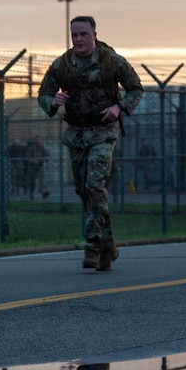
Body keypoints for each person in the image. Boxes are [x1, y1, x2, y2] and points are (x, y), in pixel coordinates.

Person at [38, 16, 145, 272]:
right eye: (74, 35)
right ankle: (108, 248)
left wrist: (119, 108)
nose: (78, 39)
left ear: (95, 35)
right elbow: (43, 94)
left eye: (84, 34)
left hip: (103, 132)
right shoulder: (62, 64)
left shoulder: (112, 61)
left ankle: (93, 245)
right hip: (76, 134)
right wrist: (53, 102)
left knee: (94, 186)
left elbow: (136, 88)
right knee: (84, 192)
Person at [24, 134, 50, 198]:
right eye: (37, 140)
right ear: (35, 140)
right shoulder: (31, 148)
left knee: (42, 179)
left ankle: (44, 192)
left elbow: (47, 156)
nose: (38, 141)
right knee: (32, 180)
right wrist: (33, 160)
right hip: (32, 166)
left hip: (40, 165)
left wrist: (43, 159)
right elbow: (27, 157)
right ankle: (31, 194)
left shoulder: (43, 147)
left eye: (39, 139)